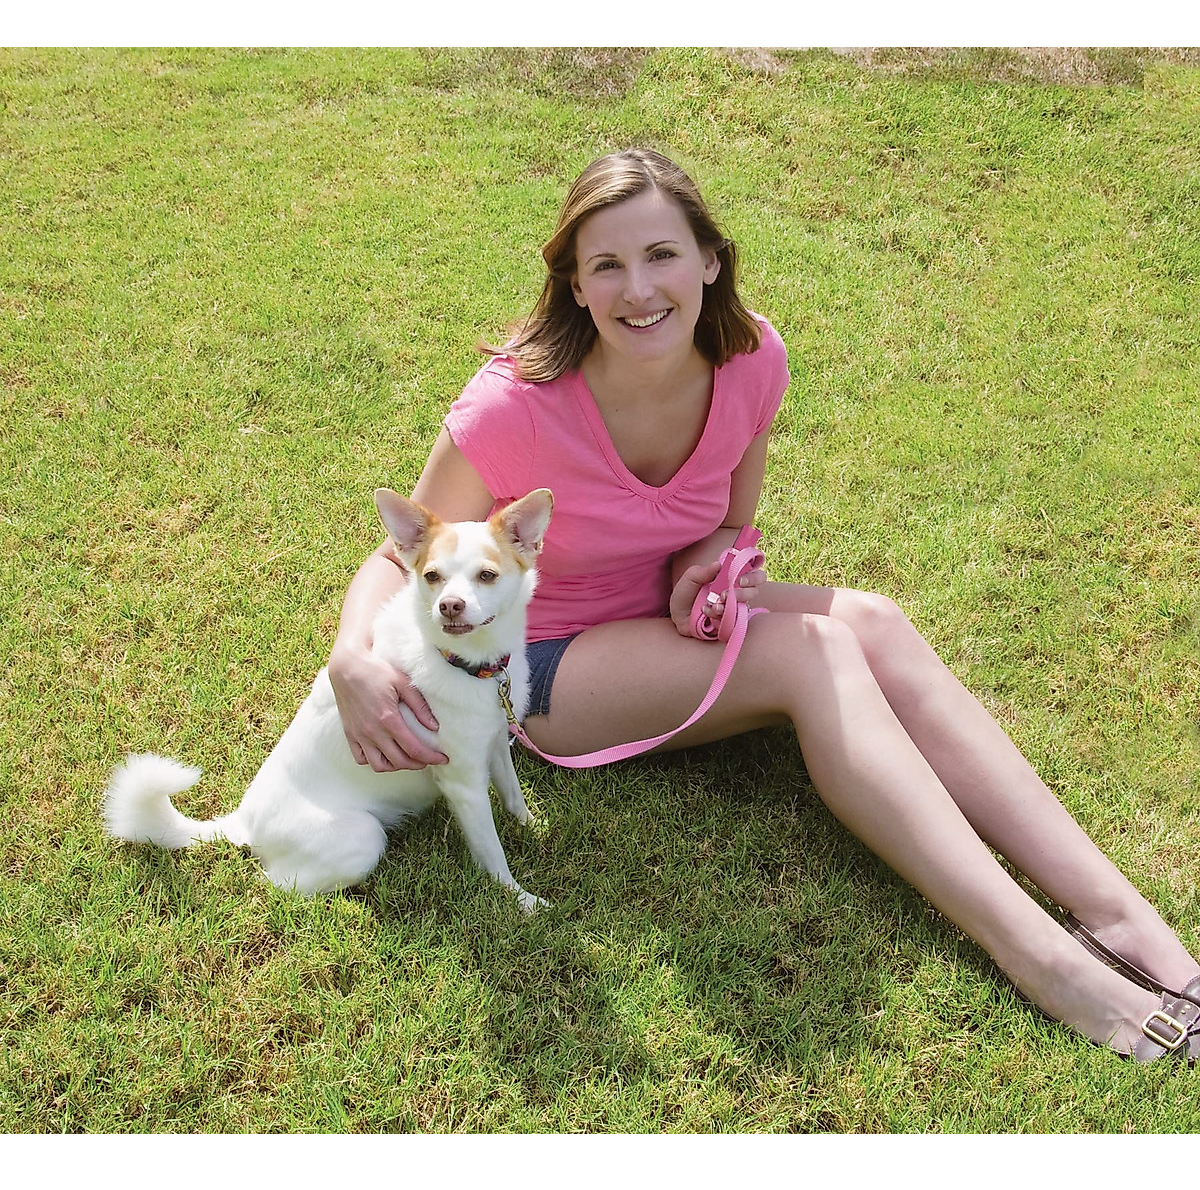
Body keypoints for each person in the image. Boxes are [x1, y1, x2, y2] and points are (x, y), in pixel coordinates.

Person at [328, 149, 1199, 1061]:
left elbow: (727, 526)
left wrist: (711, 563)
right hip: (541, 662)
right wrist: (353, 657)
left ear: (710, 260)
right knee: (809, 652)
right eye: (607, 266)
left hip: (660, 619)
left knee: (875, 621)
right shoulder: (513, 406)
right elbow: (400, 556)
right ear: (576, 287)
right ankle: (1046, 962)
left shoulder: (750, 361)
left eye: (662, 255)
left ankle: (1119, 916)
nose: (639, 290)